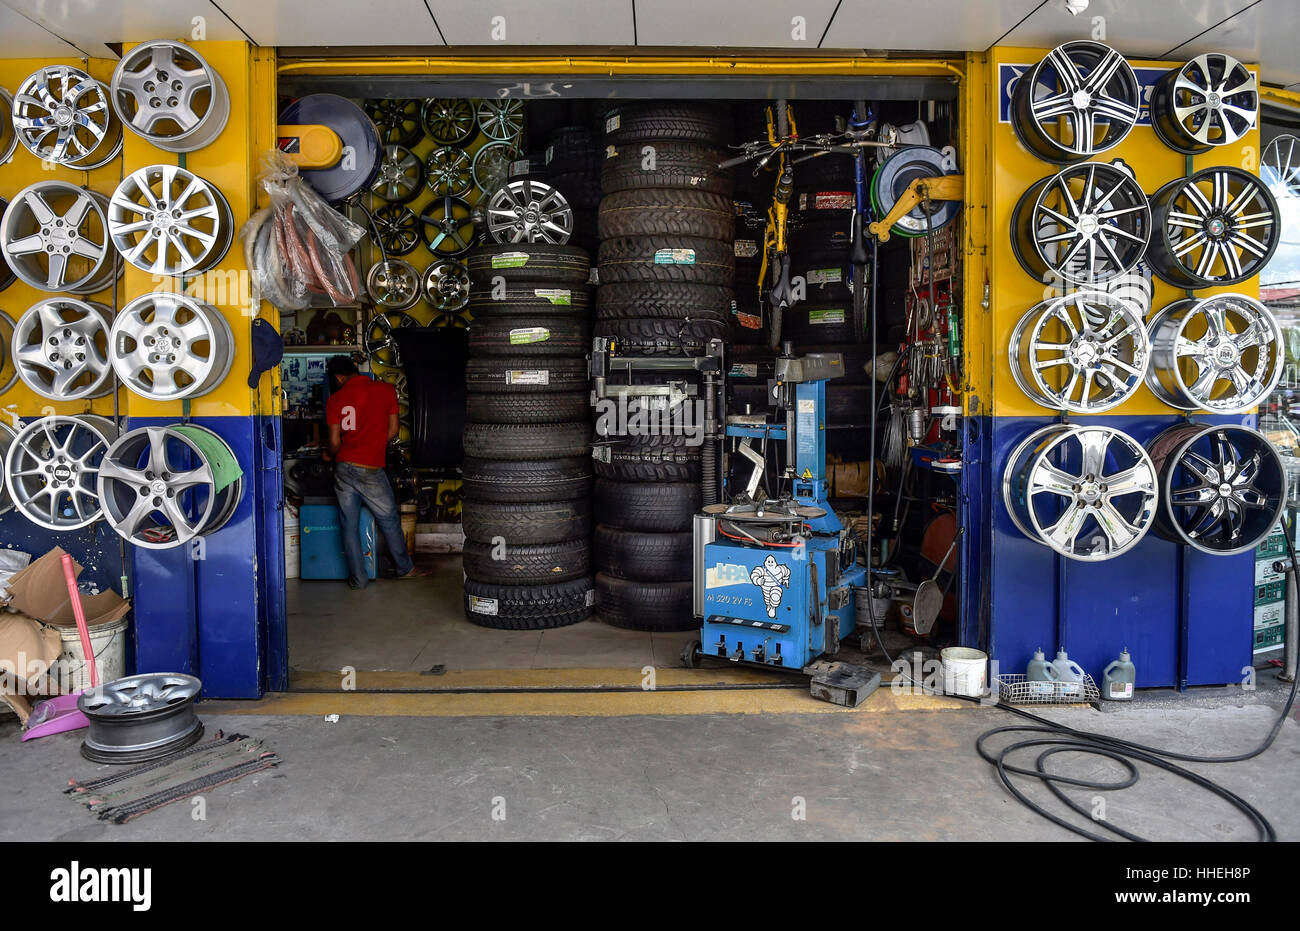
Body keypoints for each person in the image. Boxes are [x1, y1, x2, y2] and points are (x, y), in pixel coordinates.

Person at [324, 354, 425, 588]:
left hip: (344, 467)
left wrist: (328, 455)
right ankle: (404, 568)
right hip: (371, 468)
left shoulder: (336, 399)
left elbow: (334, 443)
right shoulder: (386, 390)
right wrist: (373, 445)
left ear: (338, 378)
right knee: (388, 519)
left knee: (348, 525)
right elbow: (393, 430)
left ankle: (358, 580)